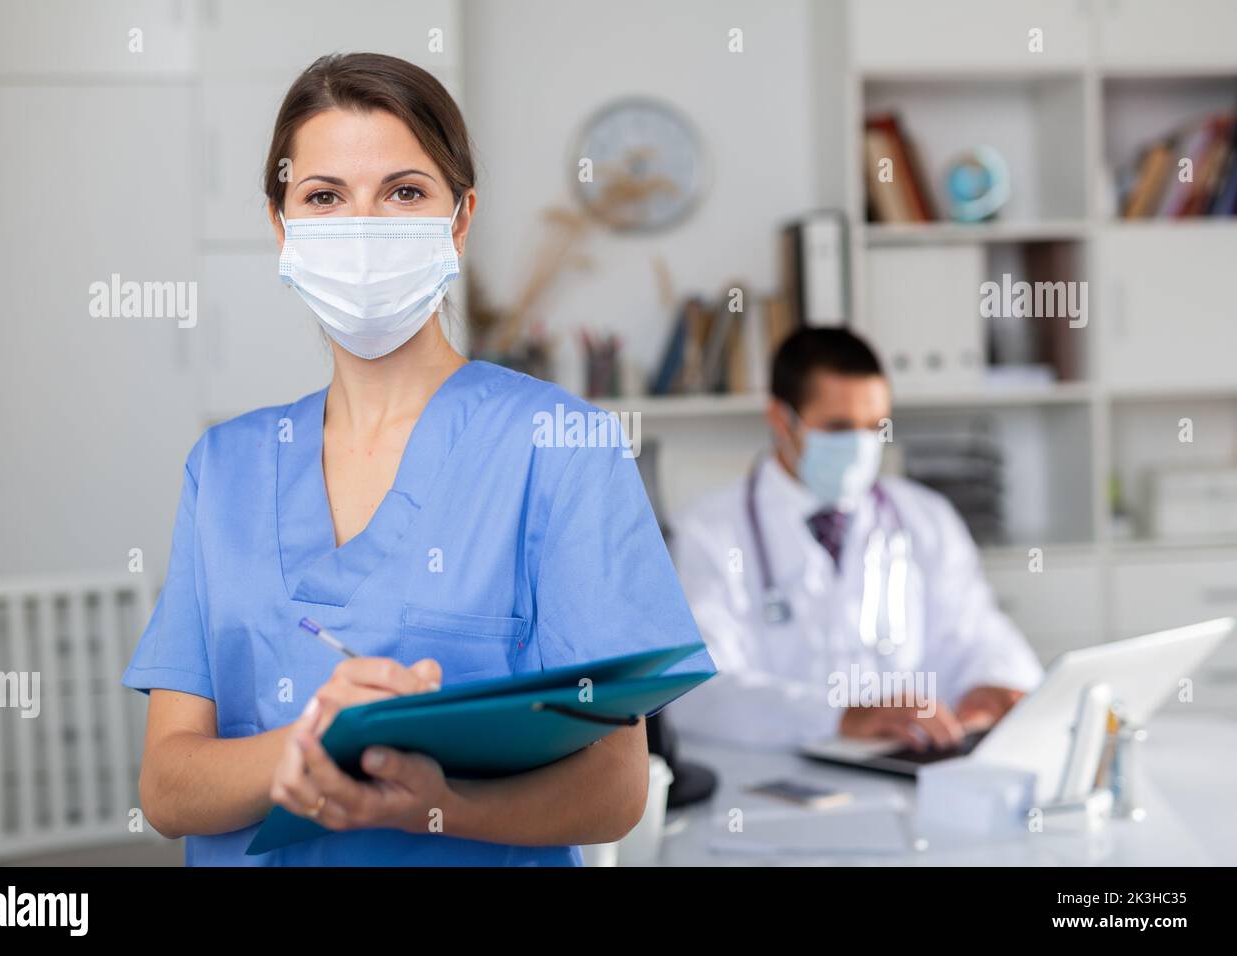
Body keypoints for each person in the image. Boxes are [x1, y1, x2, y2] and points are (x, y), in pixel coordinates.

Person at [122, 52, 711, 866]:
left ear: (459, 218)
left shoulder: (561, 449)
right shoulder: (223, 468)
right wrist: (306, 745)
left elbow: (616, 790)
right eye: (324, 197)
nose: (362, 229)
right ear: (281, 226)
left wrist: (444, 807)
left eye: (403, 192)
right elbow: (166, 789)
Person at [666, 327, 1041, 751]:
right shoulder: (707, 534)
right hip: (769, 782)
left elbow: (979, 634)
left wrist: (991, 683)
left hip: (905, 766)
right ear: (780, 419)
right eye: (839, 427)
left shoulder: (926, 518)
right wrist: (838, 716)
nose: (861, 446)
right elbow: (696, 692)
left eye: (874, 427)